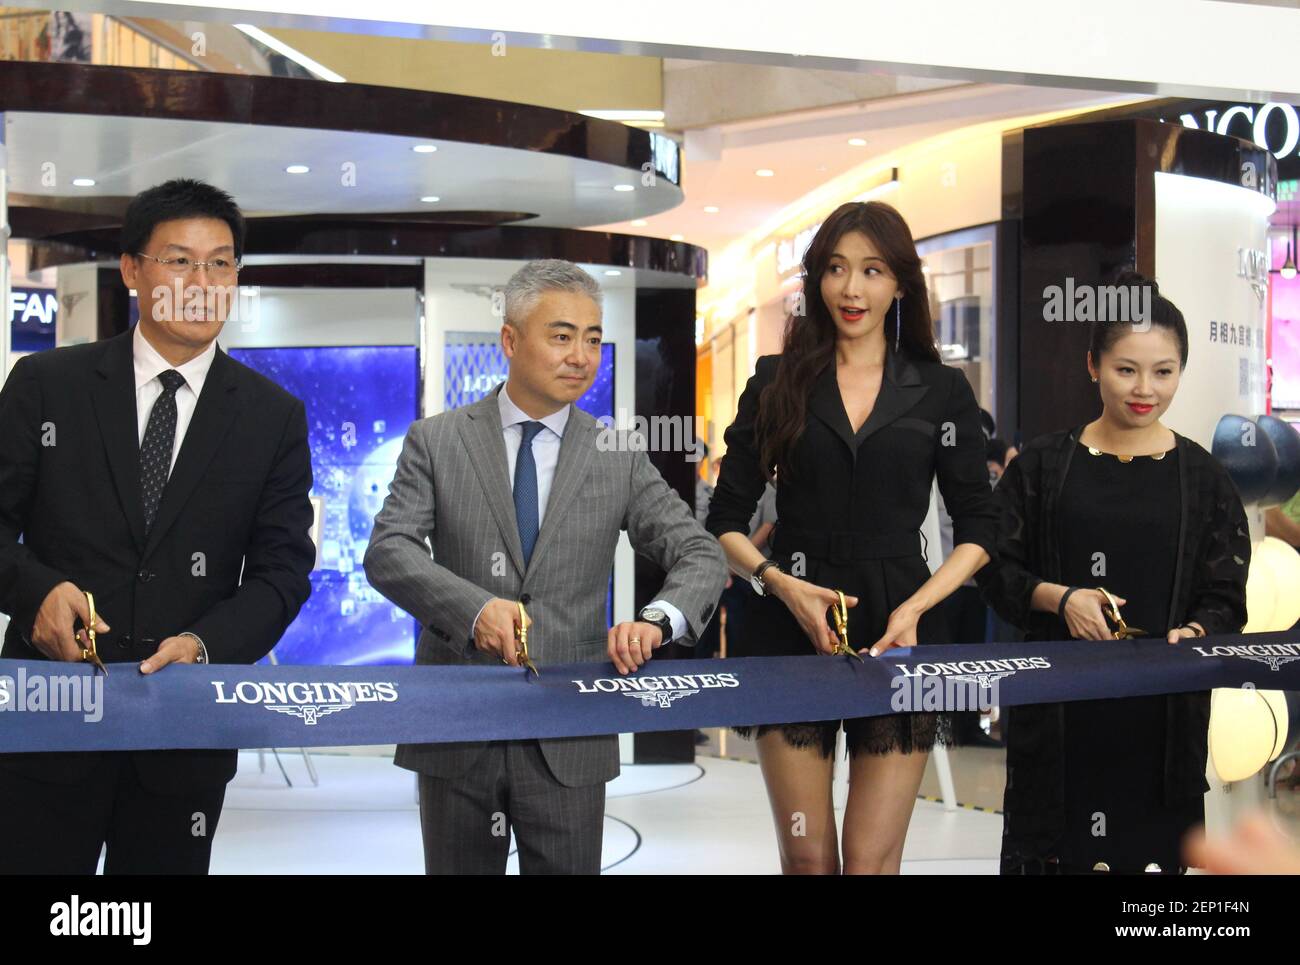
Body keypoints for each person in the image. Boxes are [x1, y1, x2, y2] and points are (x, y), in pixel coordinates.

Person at [365, 259, 726, 875]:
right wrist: (473, 610)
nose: (581, 356)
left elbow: (701, 553)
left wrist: (658, 622)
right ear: (510, 340)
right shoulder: (438, 440)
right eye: (561, 336)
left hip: (570, 727)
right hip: (458, 726)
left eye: (591, 338)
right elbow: (389, 551)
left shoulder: (616, 452)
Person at [0, 178, 316, 874]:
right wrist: (35, 592)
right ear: (132, 269)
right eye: (179, 260)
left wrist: (206, 643)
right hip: (46, 721)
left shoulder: (272, 418)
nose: (202, 281)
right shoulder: (48, 385)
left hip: (184, 737)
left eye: (221, 262)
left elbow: (282, 572)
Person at [705, 201, 996, 874]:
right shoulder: (777, 380)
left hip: (901, 628)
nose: (852, 289)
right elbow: (726, 516)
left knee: (868, 858)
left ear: (900, 283)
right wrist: (776, 581)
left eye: (871, 270)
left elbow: (981, 526)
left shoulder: (941, 389)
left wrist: (920, 605)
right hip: (787, 624)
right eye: (836, 269)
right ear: (816, 280)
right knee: (809, 856)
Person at [977, 271, 1250, 874]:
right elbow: (995, 569)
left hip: (1161, 721)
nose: (1144, 389)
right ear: (1092, 365)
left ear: (1182, 369)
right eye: (1126, 369)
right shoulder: (1043, 466)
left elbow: (1226, 594)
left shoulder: (1204, 478)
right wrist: (1060, 597)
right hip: (1058, 717)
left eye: (1164, 371)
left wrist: (1200, 632)